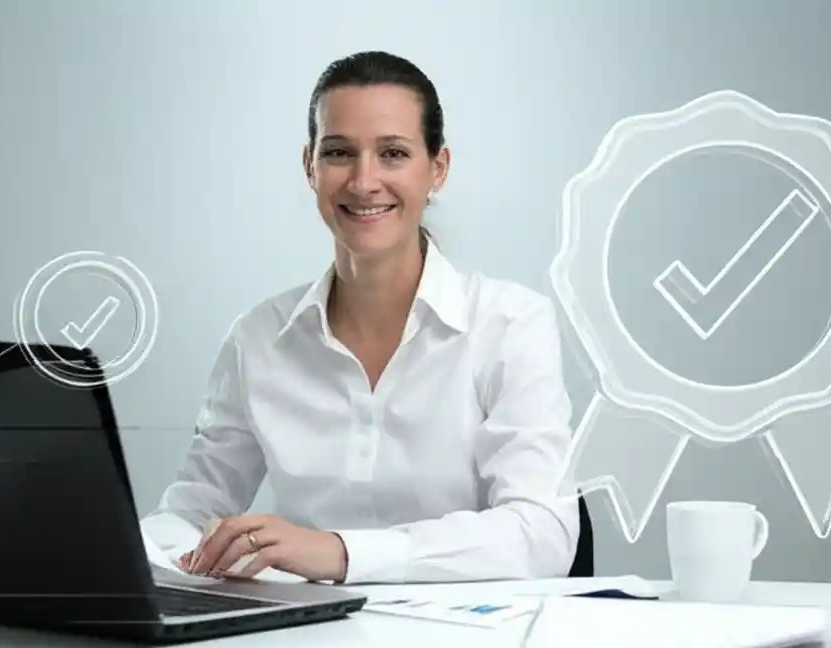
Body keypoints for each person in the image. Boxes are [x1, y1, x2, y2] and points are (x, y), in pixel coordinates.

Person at [140, 50, 579, 585]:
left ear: (437, 168)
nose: (364, 181)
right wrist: (181, 554)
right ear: (310, 167)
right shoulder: (258, 339)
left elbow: (542, 534)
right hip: (295, 647)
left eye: (393, 153)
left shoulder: (510, 325)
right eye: (339, 153)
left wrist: (341, 553)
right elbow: (185, 514)